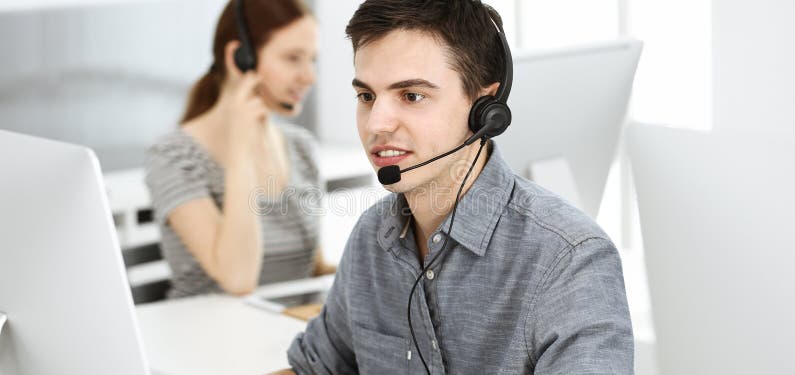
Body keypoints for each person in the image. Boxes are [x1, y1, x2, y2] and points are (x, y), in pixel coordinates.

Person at [279, 0, 633, 374]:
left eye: (411, 95)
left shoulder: (569, 261)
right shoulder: (371, 239)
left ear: (485, 108)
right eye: (367, 96)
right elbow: (314, 369)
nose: (376, 124)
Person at [145, 0, 332, 299]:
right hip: (212, 337)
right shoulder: (174, 156)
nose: (309, 77)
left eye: (312, 60)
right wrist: (240, 149)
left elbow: (312, 268)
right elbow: (238, 279)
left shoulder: (300, 147)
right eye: (293, 58)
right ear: (240, 58)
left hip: (291, 333)